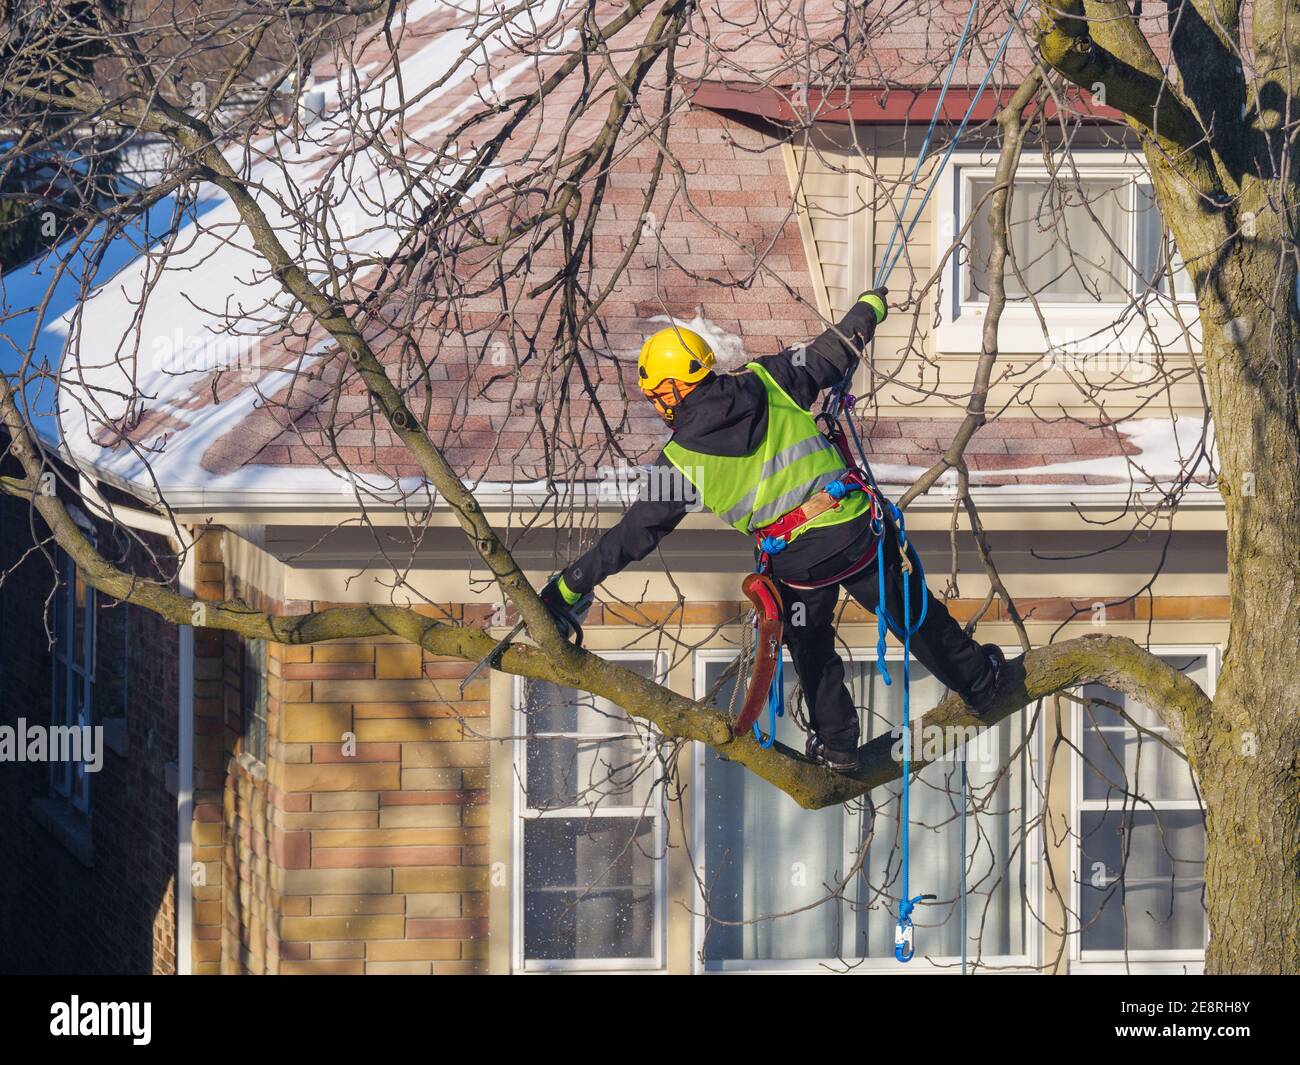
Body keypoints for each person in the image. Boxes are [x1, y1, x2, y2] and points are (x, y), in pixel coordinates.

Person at [540, 291, 1005, 772]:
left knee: (809, 643)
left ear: (675, 388)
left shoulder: (678, 463)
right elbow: (835, 348)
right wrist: (870, 307)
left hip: (798, 564)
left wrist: (569, 584)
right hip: (854, 532)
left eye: (658, 393)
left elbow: (632, 536)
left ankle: (839, 744)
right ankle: (978, 682)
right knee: (912, 610)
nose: (657, 405)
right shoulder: (769, 378)